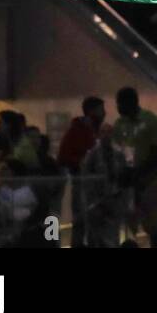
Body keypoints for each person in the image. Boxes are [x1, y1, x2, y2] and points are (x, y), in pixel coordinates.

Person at [112, 87, 157, 248]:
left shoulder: (151, 120)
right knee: (129, 222)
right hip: (128, 181)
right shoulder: (119, 124)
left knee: (153, 223)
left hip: (149, 180)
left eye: (120, 104)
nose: (118, 108)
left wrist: (141, 174)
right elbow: (118, 151)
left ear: (131, 102)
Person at [57, 96, 106, 248]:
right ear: (92, 111)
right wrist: (82, 165)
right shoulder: (79, 131)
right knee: (81, 220)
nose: (104, 113)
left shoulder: (95, 131)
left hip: (95, 184)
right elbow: (65, 156)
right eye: (101, 110)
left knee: (90, 220)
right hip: (84, 183)